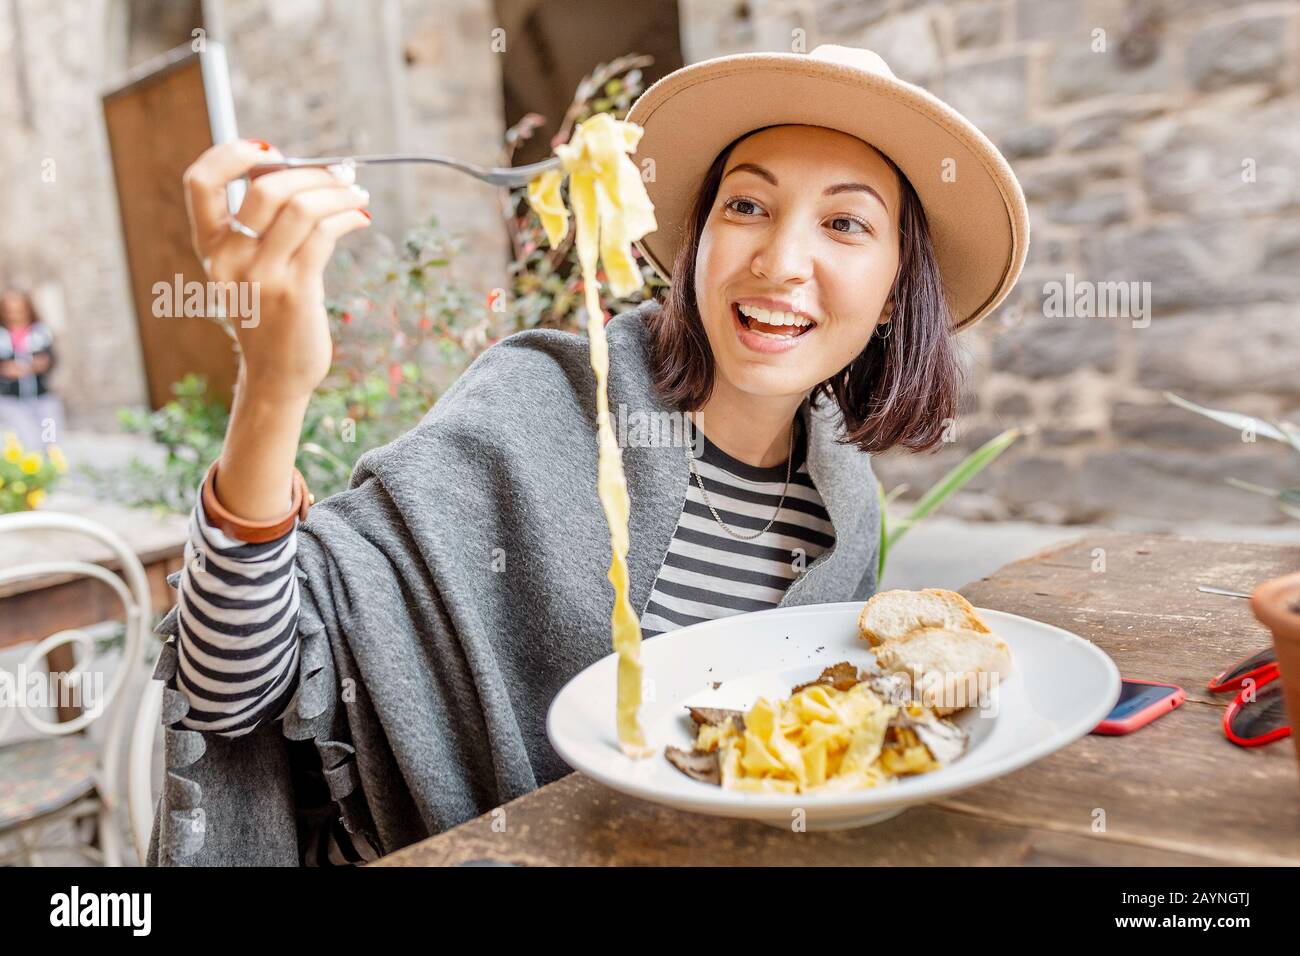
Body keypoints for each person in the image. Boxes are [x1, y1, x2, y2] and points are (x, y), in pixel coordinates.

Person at [147, 44, 1029, 865]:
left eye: (844, 224)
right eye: (747, 206)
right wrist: (273, 381)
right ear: (691, 246)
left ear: (891, 295)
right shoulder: (537, 405)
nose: (782, 260)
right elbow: (231, 687)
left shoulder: (844, 508)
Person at [0, 288, 62, 450]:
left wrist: (43, 363)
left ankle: (54, 471)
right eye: (9, 311)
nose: (15, 315)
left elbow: (53, 358)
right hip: (11, 400)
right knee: (30, 441)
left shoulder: (40, 332)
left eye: (19, 310)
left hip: (42, 397)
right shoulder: (1, 335)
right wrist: (5, 369)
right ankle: (35, 472)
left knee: (51, 439)